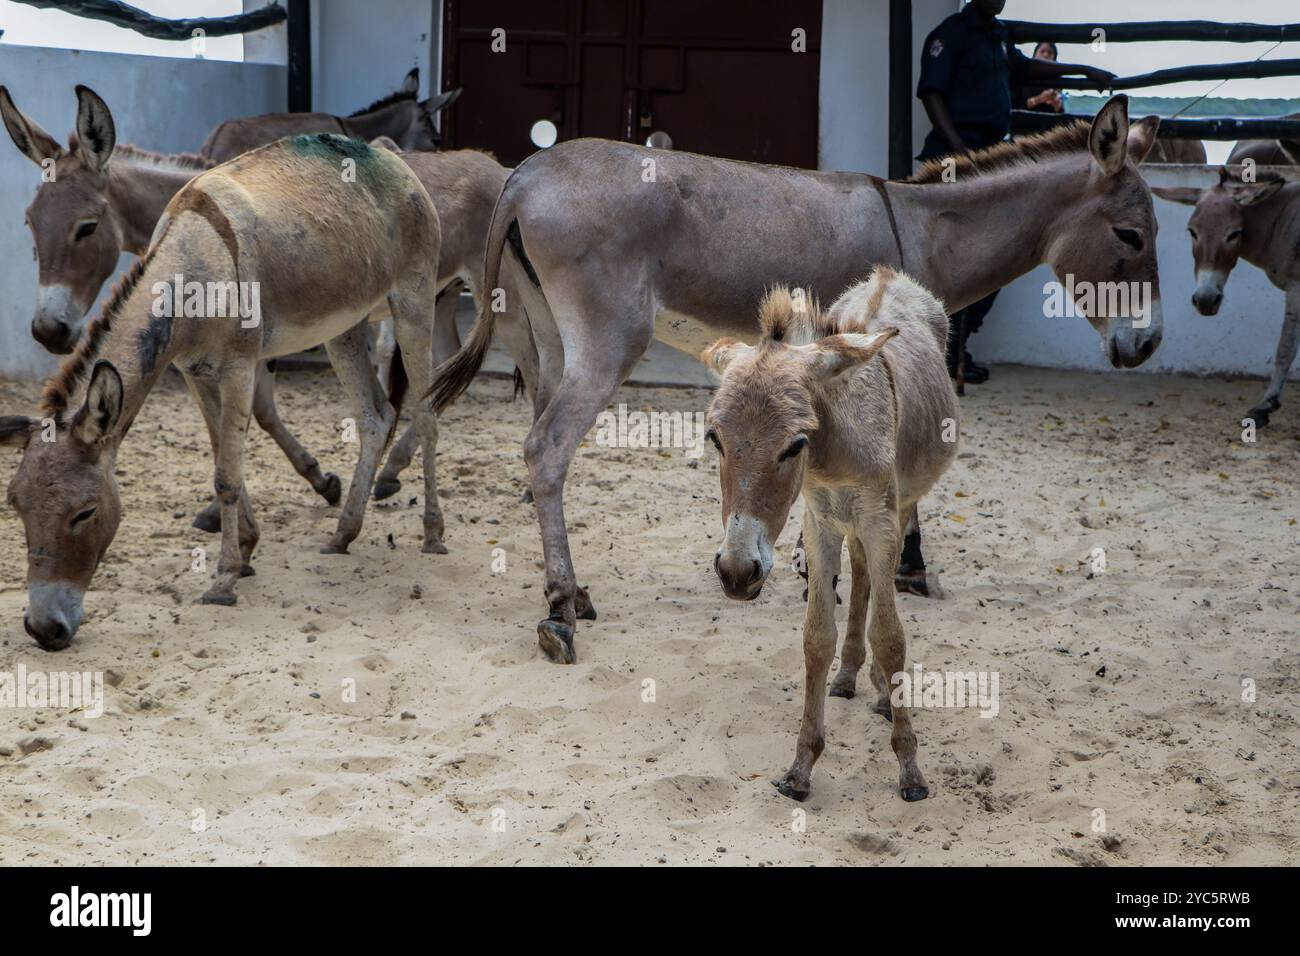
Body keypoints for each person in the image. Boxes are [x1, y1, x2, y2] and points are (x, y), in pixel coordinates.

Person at [916, 1, 1114, 384]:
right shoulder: (951, 33)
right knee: (943, 260)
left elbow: (1026, 68)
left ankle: (958, 348)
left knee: (994, 259)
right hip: (953, 161)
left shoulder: (998, 36)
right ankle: (937, 357)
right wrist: (960, 151)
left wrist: (1082, 69)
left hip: (994, 166)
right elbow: (931, 94)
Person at [1019, 41, 1066, 113]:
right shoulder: (1023, 75)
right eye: (1042, 51)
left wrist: (1056, 104)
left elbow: (1060, 112)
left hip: (1048, 122)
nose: (1046, 55)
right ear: (1034, 55)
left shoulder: (1057, 80)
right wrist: (1040, 98)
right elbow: (1015, 105)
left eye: (1050, 52)